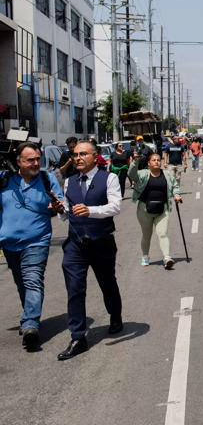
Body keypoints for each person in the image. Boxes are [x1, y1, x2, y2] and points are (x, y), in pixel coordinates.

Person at [57, 141, 123, 360]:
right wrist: (59, 209)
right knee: (74, 288)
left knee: (107, 282)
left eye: (83, 154)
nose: (78, 158)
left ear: (95, 157)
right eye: (75, 155)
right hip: (76, 244)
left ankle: (115, 316)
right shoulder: (69, 182)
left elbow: (115, 206)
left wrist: (90, 210)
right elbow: (67, 212)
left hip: (101, 241)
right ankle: (78, 336)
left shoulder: (109, 178)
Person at [0, 142, 65, 350]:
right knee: (22, 283)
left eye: (38, 159)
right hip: (9, 243)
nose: (36, 163)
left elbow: (61, 204)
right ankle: (29, 316)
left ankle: (30, 324)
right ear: (18, 161)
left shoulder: (47, 179)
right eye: (30, 160)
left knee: (33, 280)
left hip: (37, 240)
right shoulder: (4, 179)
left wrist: (57, 206)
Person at [128, 153, 182, 268]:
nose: (157, 162)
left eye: (158, 160)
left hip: (162, 210)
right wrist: (135, 162)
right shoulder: (143, 174)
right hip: (144, 210)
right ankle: (145, 256)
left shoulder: (167, 174)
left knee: (163, 233)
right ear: (149, 163)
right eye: (154, 160)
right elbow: (131, 174)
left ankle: (167, 257)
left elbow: (175, 186)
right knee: (147, 235)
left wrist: (177, 195)